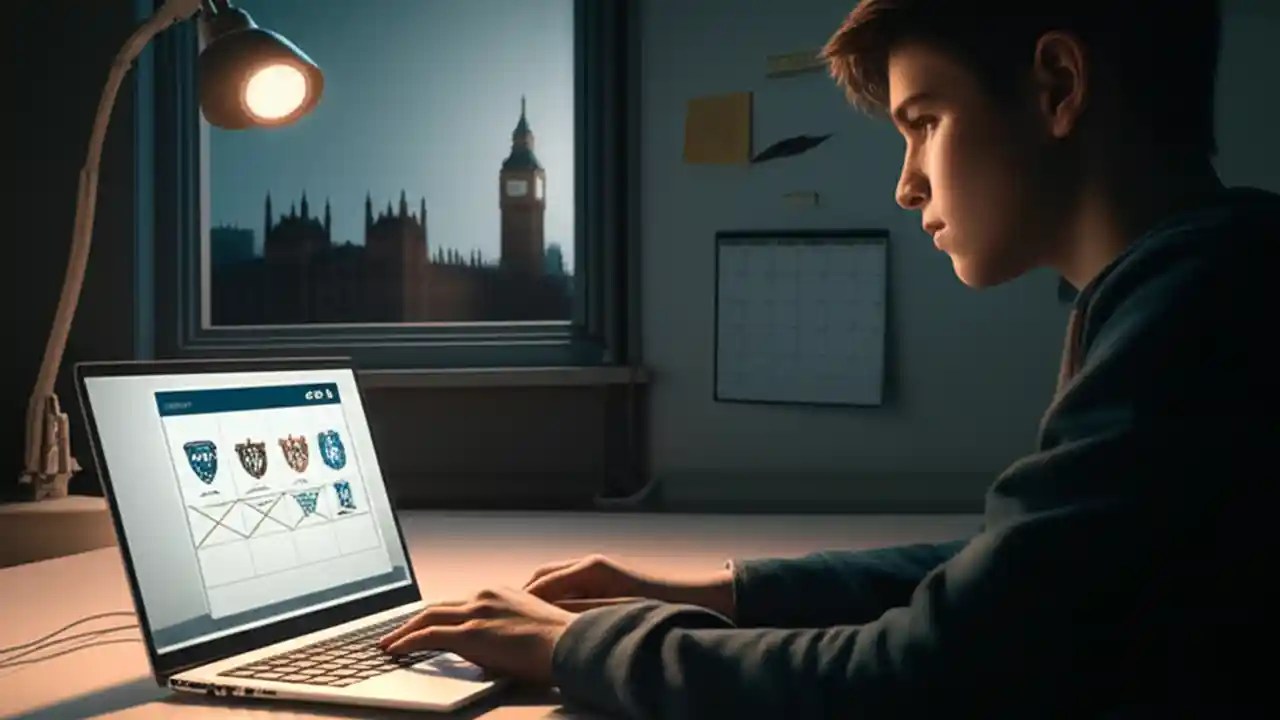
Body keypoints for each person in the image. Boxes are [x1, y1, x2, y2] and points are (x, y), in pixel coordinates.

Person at [379, 0, 1275, 716]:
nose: (906, 182)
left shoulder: (1201, 310)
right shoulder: (1203, 278)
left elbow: (926, 670)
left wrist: (577, 646)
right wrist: (721, 589)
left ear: (1056, 85)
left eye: (923, 121)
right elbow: (1013, 575)